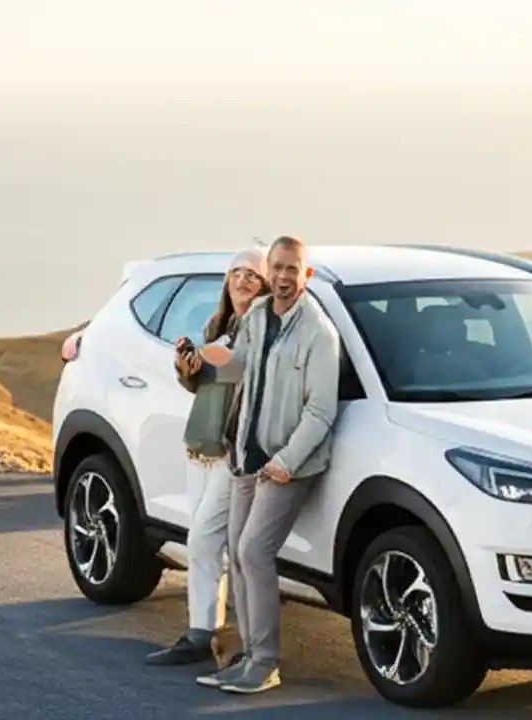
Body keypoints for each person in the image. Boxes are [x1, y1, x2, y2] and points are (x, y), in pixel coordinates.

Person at [195, 235, 341, 694]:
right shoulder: (257, 316)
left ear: (306, 275)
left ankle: (265, 662)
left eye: (291, 270)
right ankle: (245, 657)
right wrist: (199, 361)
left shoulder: (319, 333)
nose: (281, 277)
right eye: (275, 268)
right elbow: (237, 365)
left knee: (255, 552)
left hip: (287, 467)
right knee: (237, 554)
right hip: (245, 458)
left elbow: (321, 412)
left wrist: (286, 461)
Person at [144, 247, 270, 666]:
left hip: (232, 454)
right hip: (200, 448)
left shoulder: (263, 327)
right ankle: (207, 631)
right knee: (205, 546)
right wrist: (189, 370)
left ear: (265, 283)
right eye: (236, 273)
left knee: (203, 540)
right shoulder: (218, 324)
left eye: (252, 274)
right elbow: (204, 386)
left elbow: (240, 370)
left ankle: (210, 634)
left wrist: (210, 359)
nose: (242, 280)